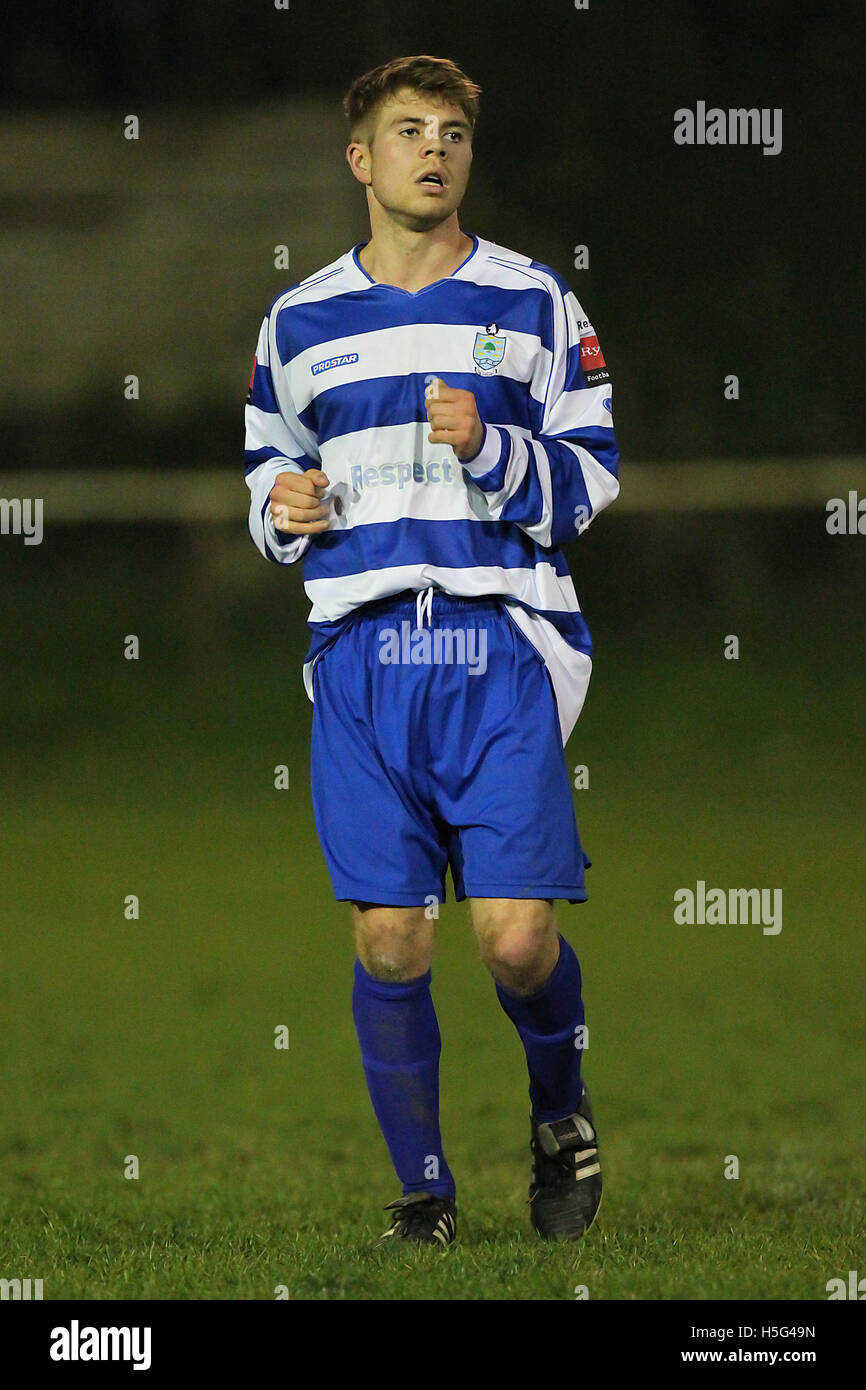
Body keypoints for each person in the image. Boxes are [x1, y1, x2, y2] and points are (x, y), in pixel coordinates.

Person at [244, 54, 619, 1245]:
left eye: (452, 131)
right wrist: (279, 510)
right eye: (408, 131)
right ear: (362, 158)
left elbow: (592, 476)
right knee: (389, 936)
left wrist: (494, 449)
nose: (433, 149)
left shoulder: (535, 302)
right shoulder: (298, 317)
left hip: (494, 639)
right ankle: (425, 1195)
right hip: (358, 651)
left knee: (513, 938)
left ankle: (559, 1115)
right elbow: (267, 458)